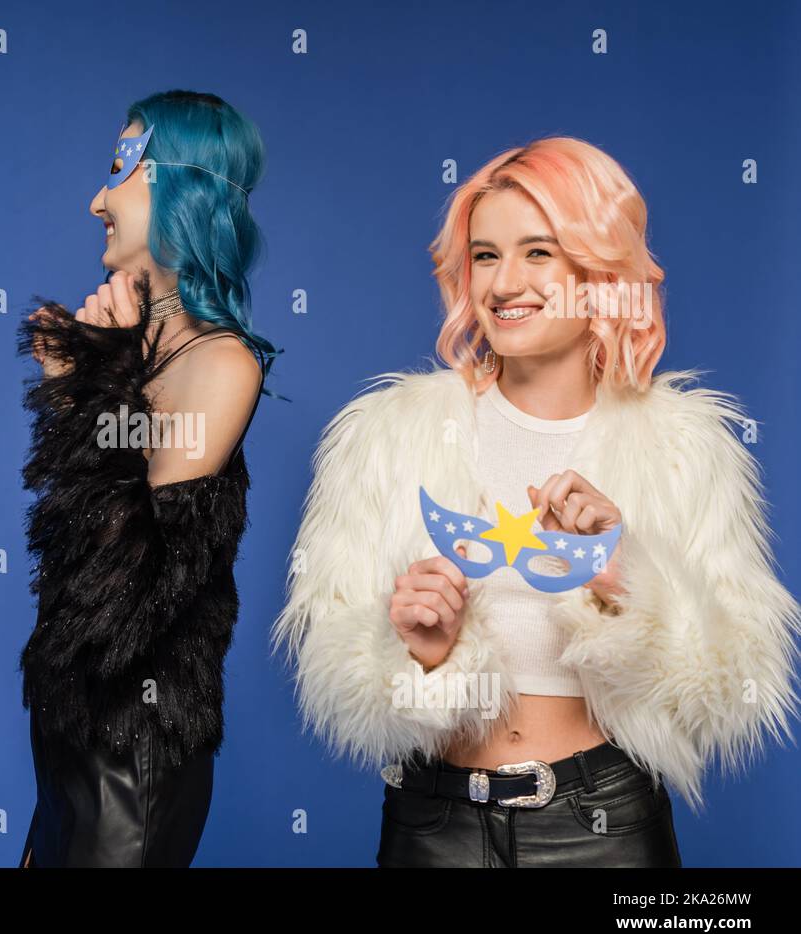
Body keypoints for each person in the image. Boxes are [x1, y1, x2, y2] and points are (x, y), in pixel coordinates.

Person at [273, 136, 800, 867]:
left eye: (539, 253)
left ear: (600, 270)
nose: (503, 282)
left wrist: (627, 583)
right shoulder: (386, 436)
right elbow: (332, 657)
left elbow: (734, 682)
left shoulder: (685, 447)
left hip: (605, 826)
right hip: (433, 826)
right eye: (485, 255)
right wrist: (420, 655)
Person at [16, 90, 279, 866]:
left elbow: (126, 589)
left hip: (134, 755)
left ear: (178, 187)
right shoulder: (133, 351)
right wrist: (93, 378)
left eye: (119, 168)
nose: (98, 198)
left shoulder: (222, 361)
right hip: (67, 743)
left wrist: (83, 389)